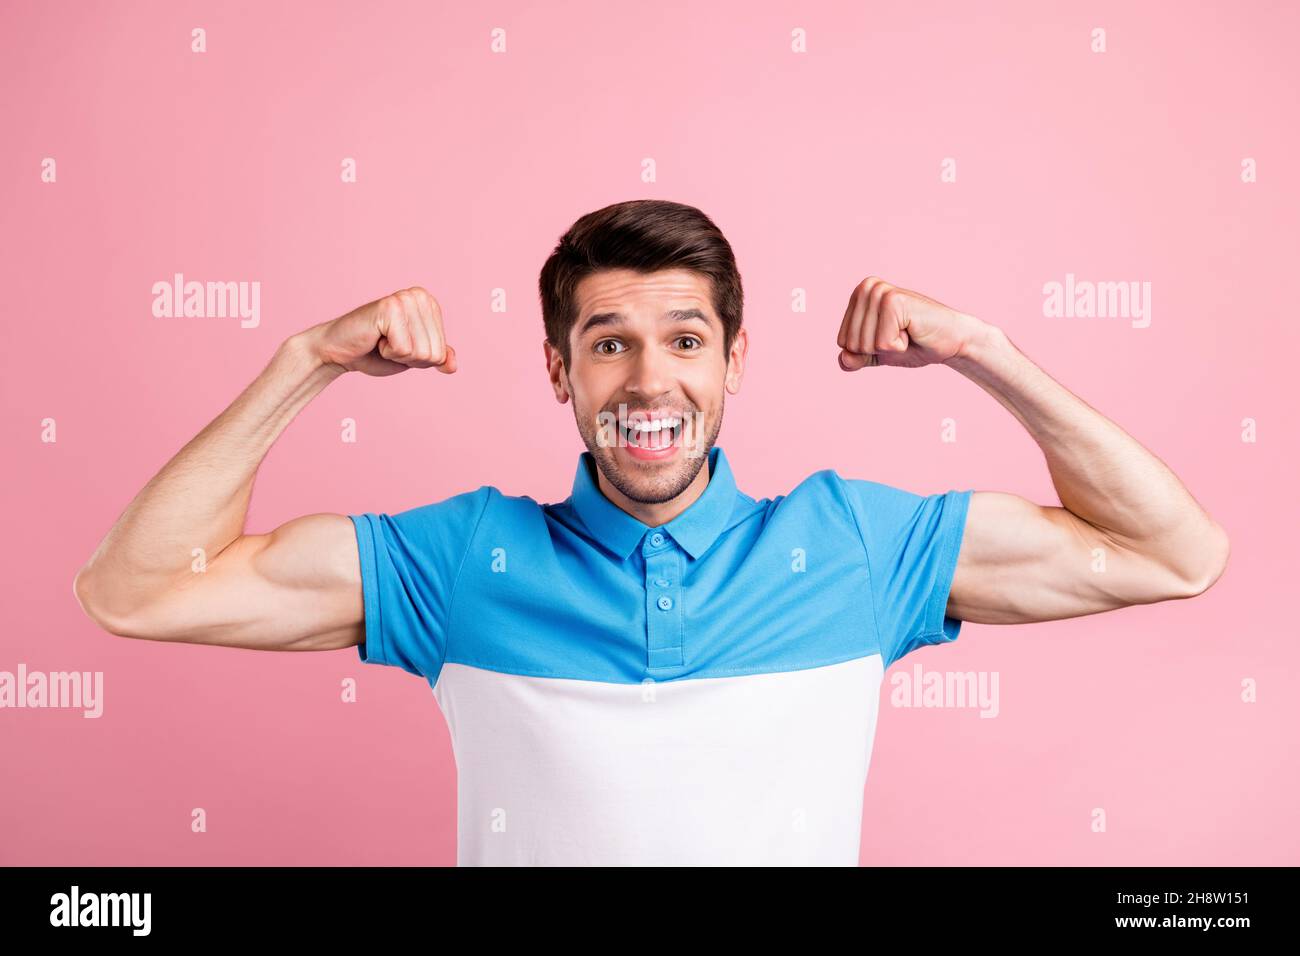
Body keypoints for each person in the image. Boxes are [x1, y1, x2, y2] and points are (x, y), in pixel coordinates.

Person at [72, 199, 1229, 866]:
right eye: (607, 340)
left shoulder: (857, 547)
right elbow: (139, 590)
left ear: (732, 361)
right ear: (557, 371)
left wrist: (986, 351)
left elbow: (1174, 552)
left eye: (683, 339)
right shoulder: (453, 564)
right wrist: (303, 363)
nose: (647, 377)